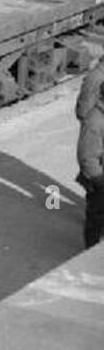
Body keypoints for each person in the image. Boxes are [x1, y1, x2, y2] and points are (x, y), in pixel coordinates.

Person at [76, 88, 104, 249]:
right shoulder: (94, 122)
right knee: (96, 217)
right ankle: (91, 249)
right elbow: (87, 157)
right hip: (100, 179)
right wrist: (100, 181)